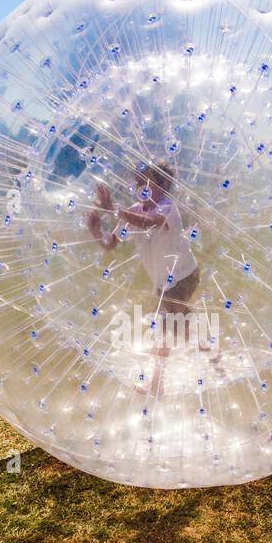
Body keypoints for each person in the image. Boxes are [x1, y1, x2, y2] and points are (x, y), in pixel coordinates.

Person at [87, 162, 210, 394]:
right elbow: (110, 244)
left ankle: (157, 384)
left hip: (181, 276)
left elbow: (149, 223)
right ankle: (213, 357)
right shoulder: (135, 210)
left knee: (164, 325)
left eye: (145, 184)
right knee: (182, 325)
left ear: (163, 186)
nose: (139, 189)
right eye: (137, 184)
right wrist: (96, 230)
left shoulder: (167, 210)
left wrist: (114, 209)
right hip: (165, 280)